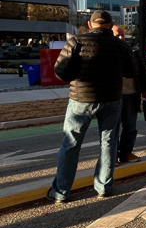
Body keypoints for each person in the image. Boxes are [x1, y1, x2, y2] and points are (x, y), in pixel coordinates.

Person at [47, 10, 132, 203]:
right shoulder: (122, 45)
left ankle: (61, 191)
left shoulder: (76, 41)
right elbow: (129, 71)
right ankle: (104, 186)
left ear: (91, 23)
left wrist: (77, 75)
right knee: (109, 143)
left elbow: (60, 71)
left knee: (71, 143)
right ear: (110, 26)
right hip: (111, 98)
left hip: (80, 98)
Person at [112, 25, 146, 164]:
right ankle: (112, 156)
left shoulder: (133, 50)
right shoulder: (107, 51)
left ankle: (126, 153)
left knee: (130, 126)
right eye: (117, 35)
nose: (121, 38)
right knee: (112, 128)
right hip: (113, 96)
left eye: (122, 35)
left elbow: (143, 71)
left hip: (132, 94)